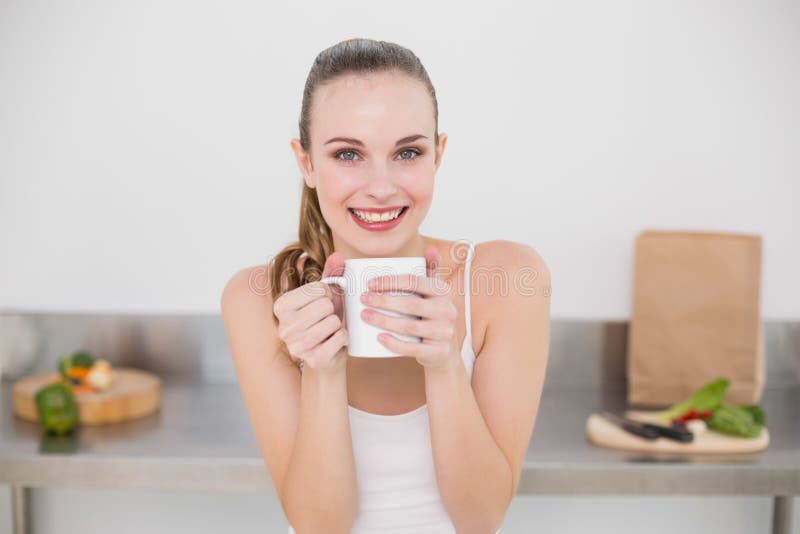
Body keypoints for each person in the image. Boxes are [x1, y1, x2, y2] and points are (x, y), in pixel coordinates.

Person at [221, 37, 551, 534]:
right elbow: (321, 526)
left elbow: (481, 518)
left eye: (408, 152)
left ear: (438, 155)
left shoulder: (504, 279)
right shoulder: (259, 299)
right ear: (306, 162)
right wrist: (323, 372)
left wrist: (443, 366)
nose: (381, 186)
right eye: (348, 154)